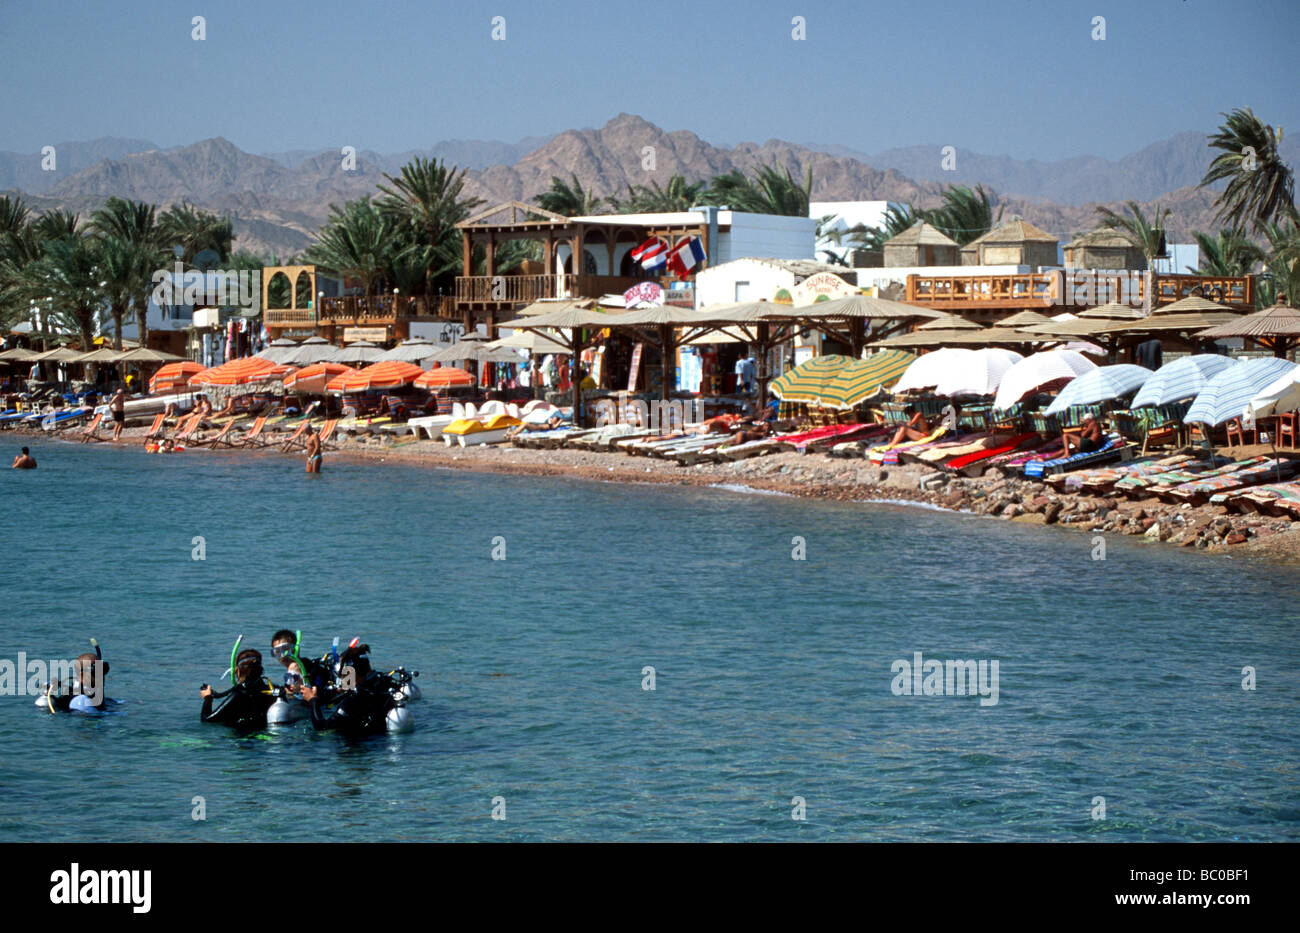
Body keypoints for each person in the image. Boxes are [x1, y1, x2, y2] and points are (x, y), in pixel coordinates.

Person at [199, 649, 275, 730]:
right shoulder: (271, 690)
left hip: (243, 740)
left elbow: (207, 720)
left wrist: (207, 699)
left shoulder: (239, 694)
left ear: (237, 671)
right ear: (260, 669)